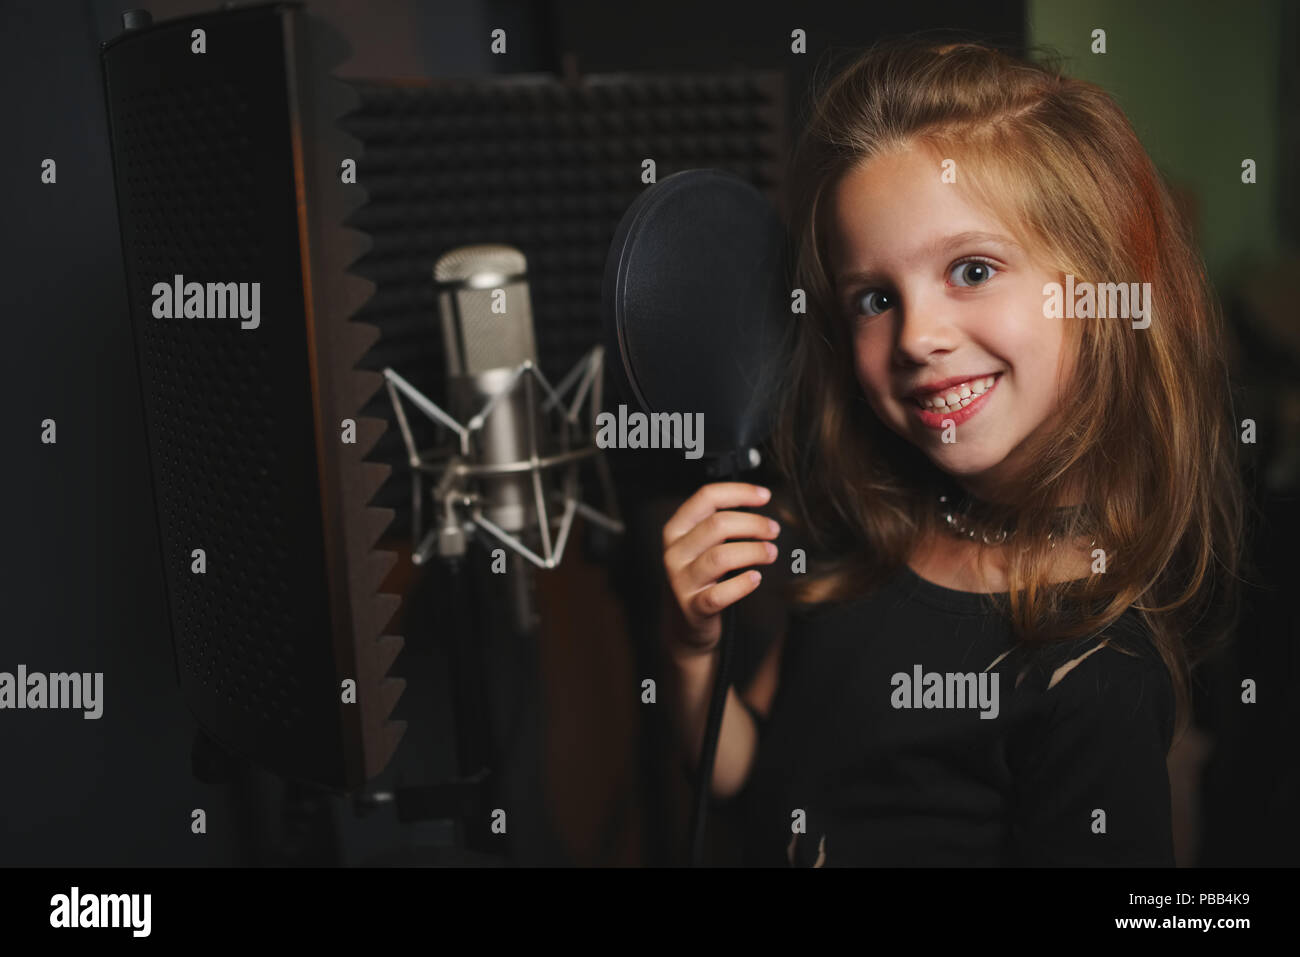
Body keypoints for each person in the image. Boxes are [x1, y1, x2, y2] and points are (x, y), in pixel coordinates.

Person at [660, 38, 1246, 866]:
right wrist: (692, 653)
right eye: (873, 297)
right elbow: (753, 779)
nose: (918, 336)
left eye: (972, 269)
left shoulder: (1094, 680)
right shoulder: (860, 539)